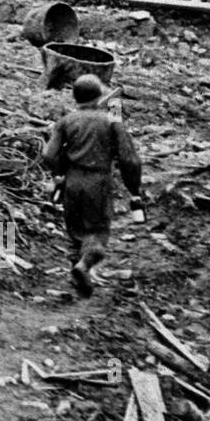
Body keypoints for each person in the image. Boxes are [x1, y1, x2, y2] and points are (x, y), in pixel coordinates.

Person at [43, 73, 144, 296]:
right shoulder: (112, 119)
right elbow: (129, 159)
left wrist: (58, 175)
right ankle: (84, 265)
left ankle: (80, 280)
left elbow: (49, 154)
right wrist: (134, 189)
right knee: (97, 231)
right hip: (98, 181)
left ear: (75, 97)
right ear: (99, 96)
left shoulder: (66, 121)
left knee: (77, 230)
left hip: (71, 181)